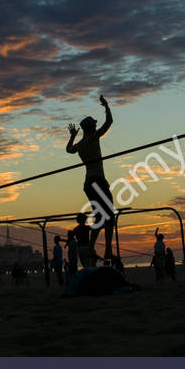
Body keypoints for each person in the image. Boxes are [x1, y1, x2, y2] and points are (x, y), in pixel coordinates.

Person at [66, 94, 116, 260]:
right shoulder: (92, 137)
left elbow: (69, 150)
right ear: (91, 128)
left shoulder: (80, 144)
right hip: (97, 182)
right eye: (94, 124)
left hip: (89, 183)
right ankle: (106, 249)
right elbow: (109, 122)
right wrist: (106, 106)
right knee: (108, 216)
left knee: (101, 216)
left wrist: (73, 136)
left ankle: (93, 248)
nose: (96, 126)